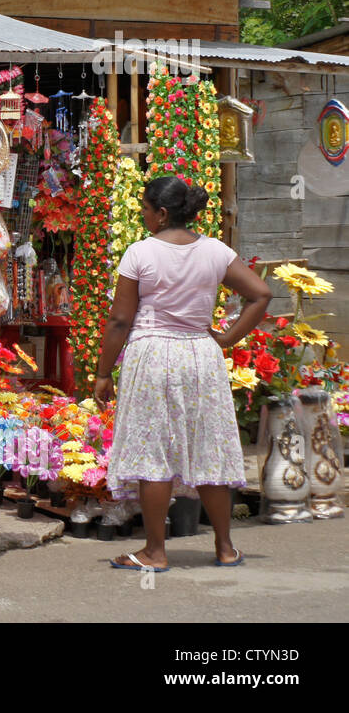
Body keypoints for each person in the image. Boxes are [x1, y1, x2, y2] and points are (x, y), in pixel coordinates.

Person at [94, 176, 271, 572]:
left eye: (144, 209)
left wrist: (103, 372)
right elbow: (261, 294)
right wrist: (225, 339)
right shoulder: (215, 251)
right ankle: (225, 547)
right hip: (201, 356)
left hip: (152, 355)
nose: (142, 215)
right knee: (207, 446)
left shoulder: (140, 253)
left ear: (161, 213)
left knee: (153, 451)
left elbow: (120, 321)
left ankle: (155, 553)